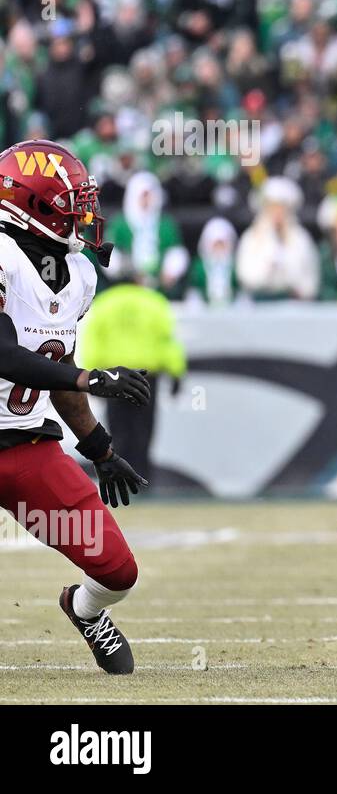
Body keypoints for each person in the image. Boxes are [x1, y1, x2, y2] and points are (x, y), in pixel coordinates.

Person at [0, 139, 153, 674]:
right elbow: (3, 355)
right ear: (33, 206)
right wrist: (90, 377)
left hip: (23, 446)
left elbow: (55, 370)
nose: (86, 216)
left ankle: (85, 612)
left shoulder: (79, 274)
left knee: (118, 570)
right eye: (74, 205)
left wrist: (101, 449)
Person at [77, 276, 187, 488]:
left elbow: (92, 343)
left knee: (118, 431)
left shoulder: (104, 303)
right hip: (146, 377)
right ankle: (144, 480)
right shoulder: (154, 302)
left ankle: (122, 480)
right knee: (144, 430)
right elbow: (167, 341)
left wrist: (90, 378)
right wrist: (176, 373)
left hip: (113, 377)